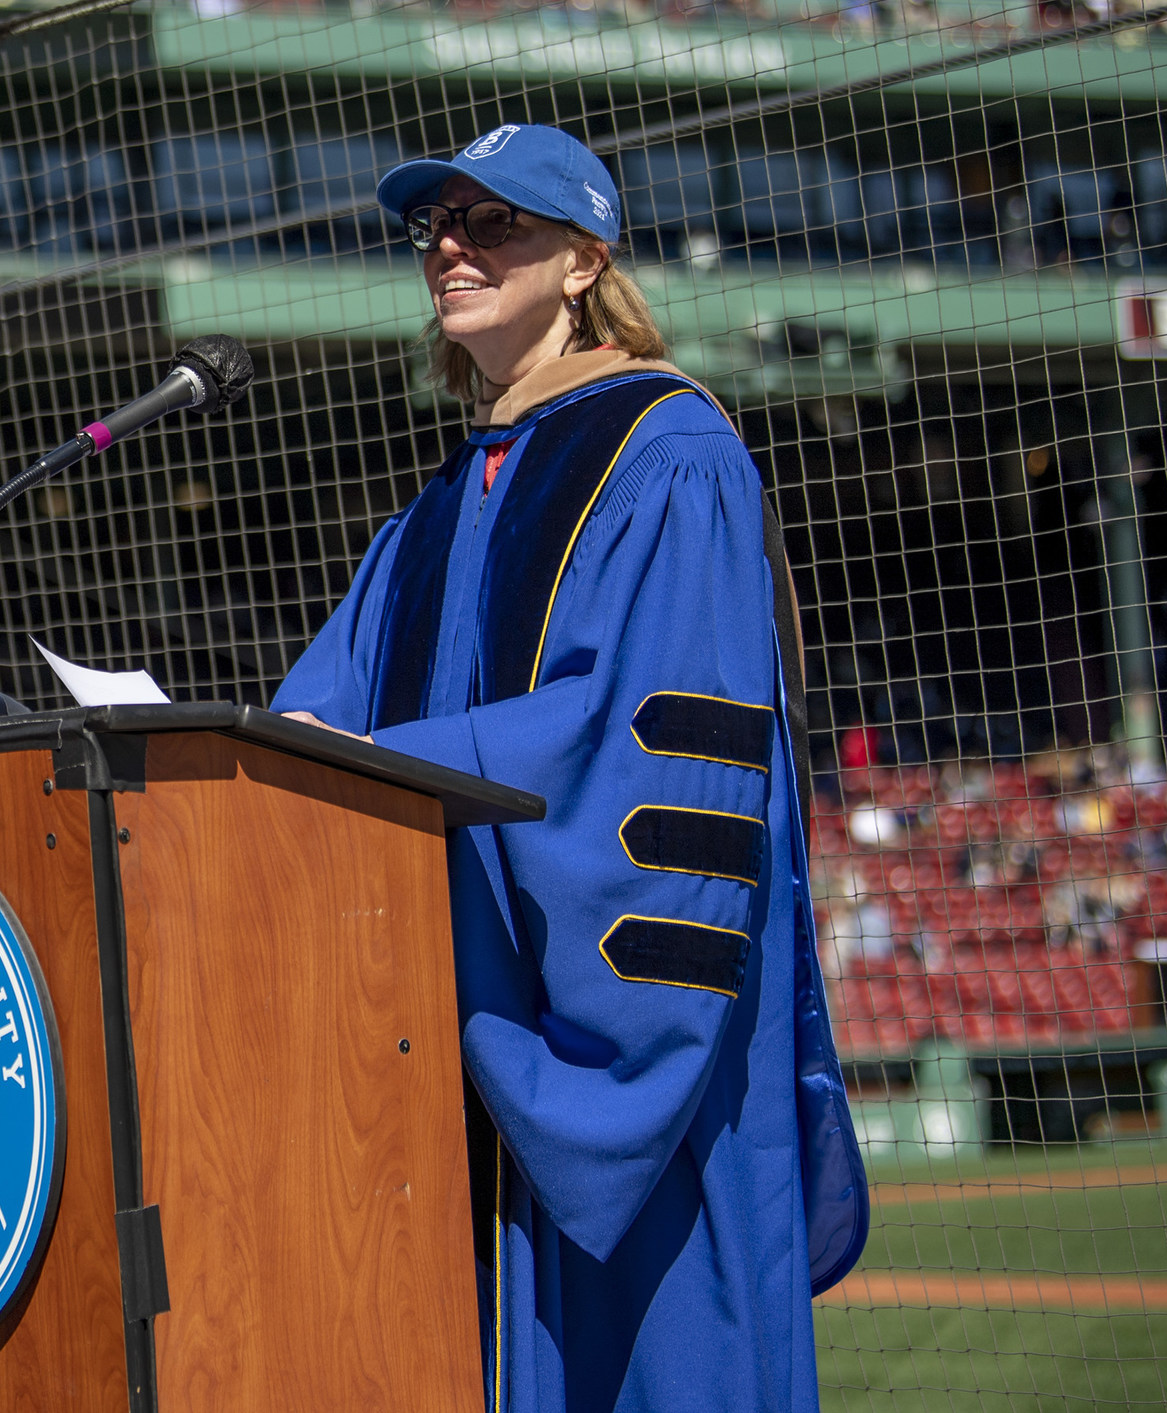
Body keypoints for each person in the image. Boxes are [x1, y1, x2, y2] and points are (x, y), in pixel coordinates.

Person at [269, 124, 867, 1413]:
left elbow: (641, 738)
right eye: (438, 226)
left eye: (494, 225)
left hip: (621, 1027)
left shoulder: (670, 450)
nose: (451, 246)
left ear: (585, 258)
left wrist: (394, 762)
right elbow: (307, 733)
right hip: (461, 1041)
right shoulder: (434, 511)